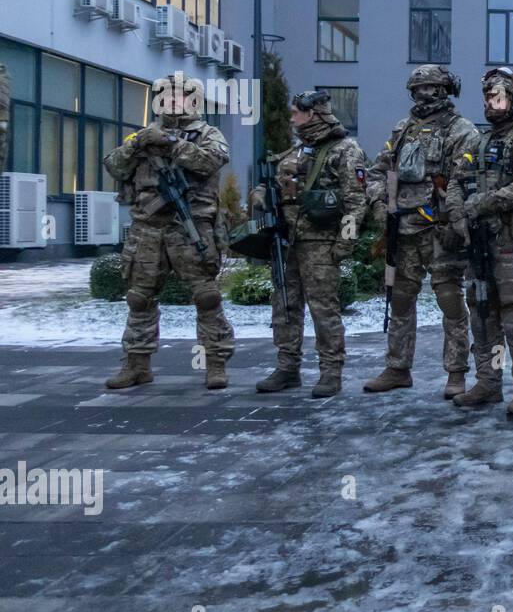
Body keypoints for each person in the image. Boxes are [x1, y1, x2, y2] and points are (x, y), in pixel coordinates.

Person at [103, 72, 235, 390]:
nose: (172, 101)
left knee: (206, 297)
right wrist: (137, 147)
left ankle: (214, 364)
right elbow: (114, 166)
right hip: (147, 229)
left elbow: (212, 161)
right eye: (166, 95)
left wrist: (173, 145)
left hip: (191, 227)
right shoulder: (144, 135)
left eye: (180, 95)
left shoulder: (207, 133)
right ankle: (137, 364)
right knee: (139, 298)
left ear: (194, 100)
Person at [363, 65, 482, 398]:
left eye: (432, 88)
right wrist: (378, 206)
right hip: (404, 229)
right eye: (419, 89)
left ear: (446, 90)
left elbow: (466, 181)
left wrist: (454, 217)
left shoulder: (463, 131)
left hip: (440, 230)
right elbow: (377, 172)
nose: (424, 95)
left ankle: (456, 372)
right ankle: (397, 368)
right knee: (400, 299)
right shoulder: (403, 130)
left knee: (449, 300)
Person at [443, 68, 513, 416]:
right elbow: (456, 180)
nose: (491, 102)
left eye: (498, 96)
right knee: (484, 317)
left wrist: (481, 204)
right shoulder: (477, 141)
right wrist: (457, 212)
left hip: (512, 246)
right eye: (488, 96)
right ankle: (489, 382)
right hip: (478, 244)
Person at [253, 90, 368, 397]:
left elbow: (357, 202)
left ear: (314, 114)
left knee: (323, 310)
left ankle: (331, 372)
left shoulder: (345, 150)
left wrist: (343, 245)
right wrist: (261, 196)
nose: (291, 118)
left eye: (296, 113)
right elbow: (271, 189)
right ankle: (287, 367)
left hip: (321, 244)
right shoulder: (294, 153)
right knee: (285, 306)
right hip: (287, 242)